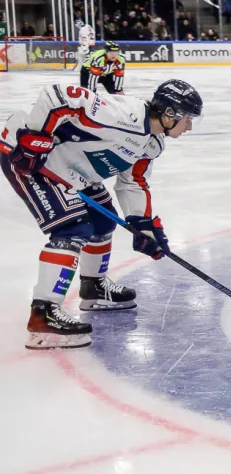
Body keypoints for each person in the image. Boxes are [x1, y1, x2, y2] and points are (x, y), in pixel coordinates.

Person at [1, 79, 202, 349]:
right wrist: (36, 139)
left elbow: (133, 182)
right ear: (169, 114)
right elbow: (57, 95)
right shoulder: (124, 115)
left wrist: (143, 226)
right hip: (27, 155)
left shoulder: (152, 144)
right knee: (72, 228)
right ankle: (44, 313)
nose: (189, 126)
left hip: (73, 169)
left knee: (103, 220)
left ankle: (93, 287)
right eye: (187, 119)